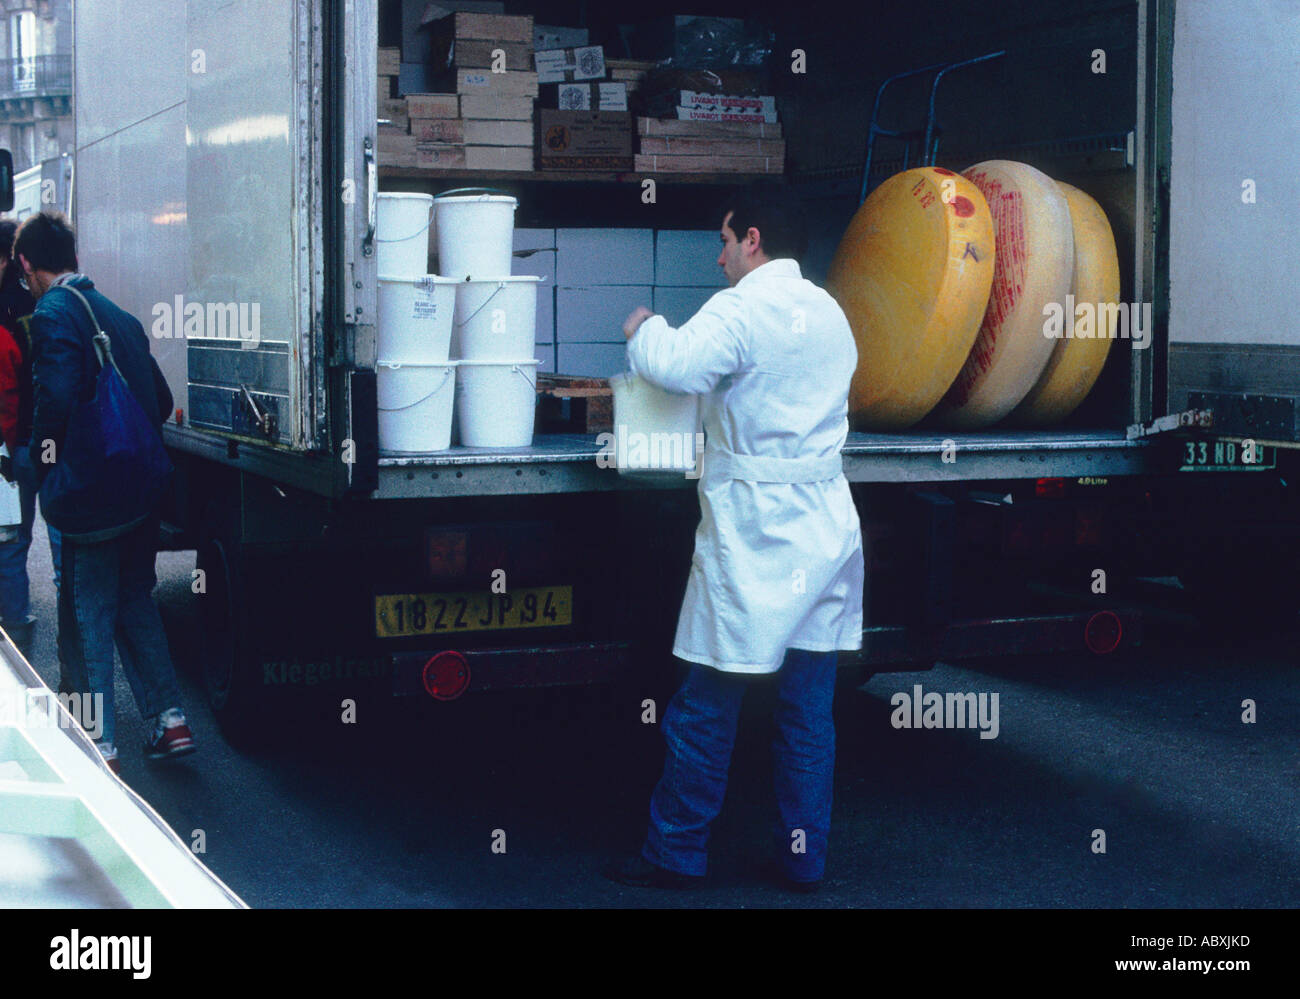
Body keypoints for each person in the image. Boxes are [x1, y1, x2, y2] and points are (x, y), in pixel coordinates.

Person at [604, 186, 865, 892]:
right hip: (824, 527)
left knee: (707, 703)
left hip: (756, 529)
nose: (719, 259)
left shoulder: (743, 307)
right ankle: (804, 857)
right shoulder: (832, 311)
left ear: (753, 239)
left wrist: (643, 325)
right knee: (808, 710)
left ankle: (675, 852)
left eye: (723, 243)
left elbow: (677, 366)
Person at [16, 210, 195, 775]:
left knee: (89, 610)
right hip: (140, 491)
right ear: (73, 257)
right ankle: (171, 722)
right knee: (134, 600)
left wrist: (44, 466)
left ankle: (100, 748)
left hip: (93, 499)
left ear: (27, 265)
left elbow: (59, 396)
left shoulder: (51, 312)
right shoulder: (117, 314)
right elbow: (160, 402)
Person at [0, 217, 63, 660]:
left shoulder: (3, 310)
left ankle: (16, 629)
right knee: (63, 537)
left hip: (16, 443)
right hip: (53, 439)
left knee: (12, 539)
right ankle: (76, 622)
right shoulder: (46, 302)